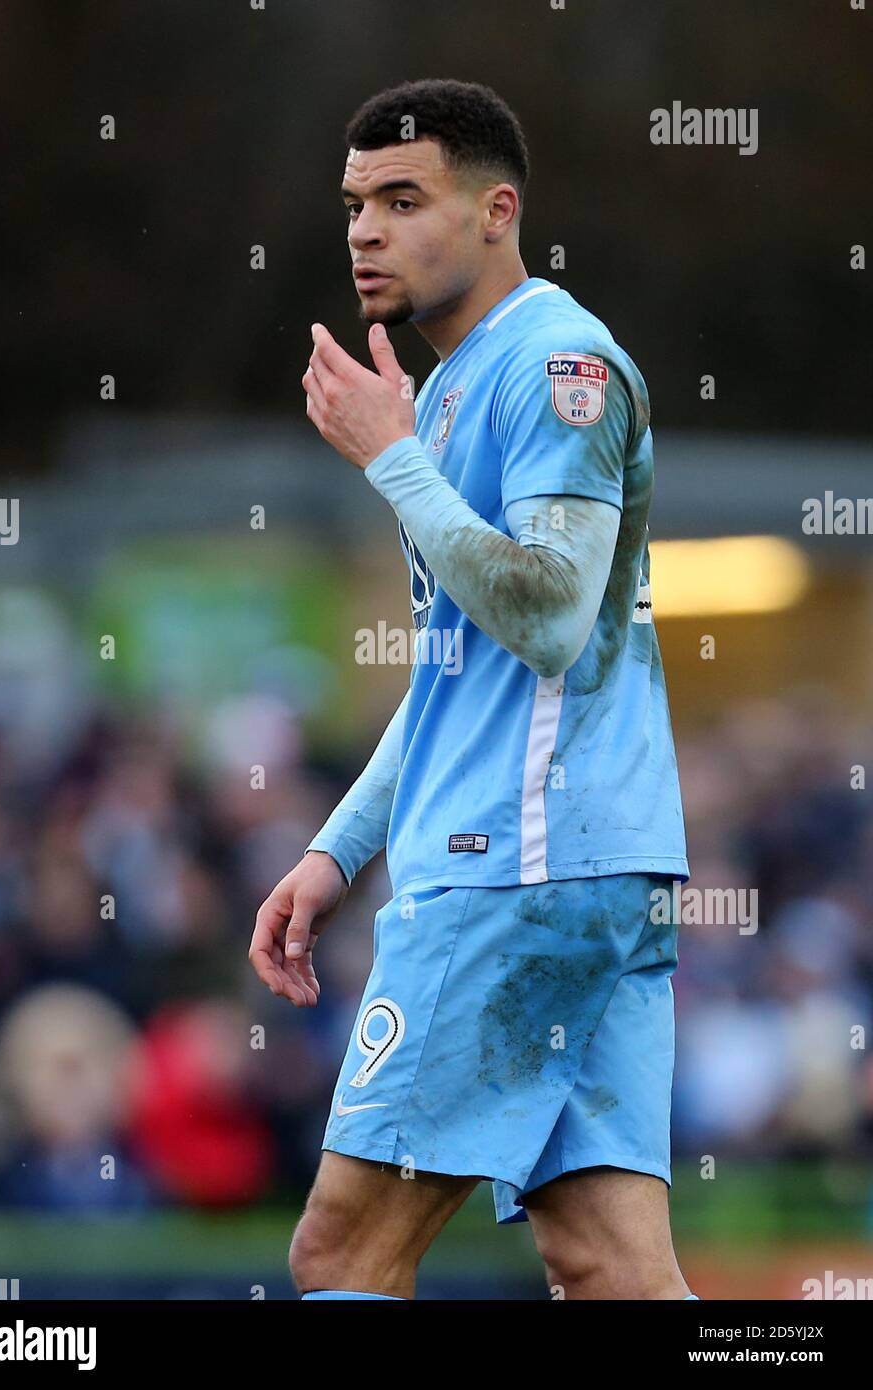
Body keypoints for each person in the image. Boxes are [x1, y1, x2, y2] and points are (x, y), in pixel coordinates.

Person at [249, 78, 695, 1301]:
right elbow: (463, 668)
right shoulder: (445, 391)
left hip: (519, 864)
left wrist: (391, 458)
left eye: (403, 200)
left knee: (342, 1252)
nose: (364, 232)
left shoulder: (558, 364)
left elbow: (548, 614)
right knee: (609, 1266)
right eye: (353, 206)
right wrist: (338, 850)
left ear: (498, 212)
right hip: (580, 868)